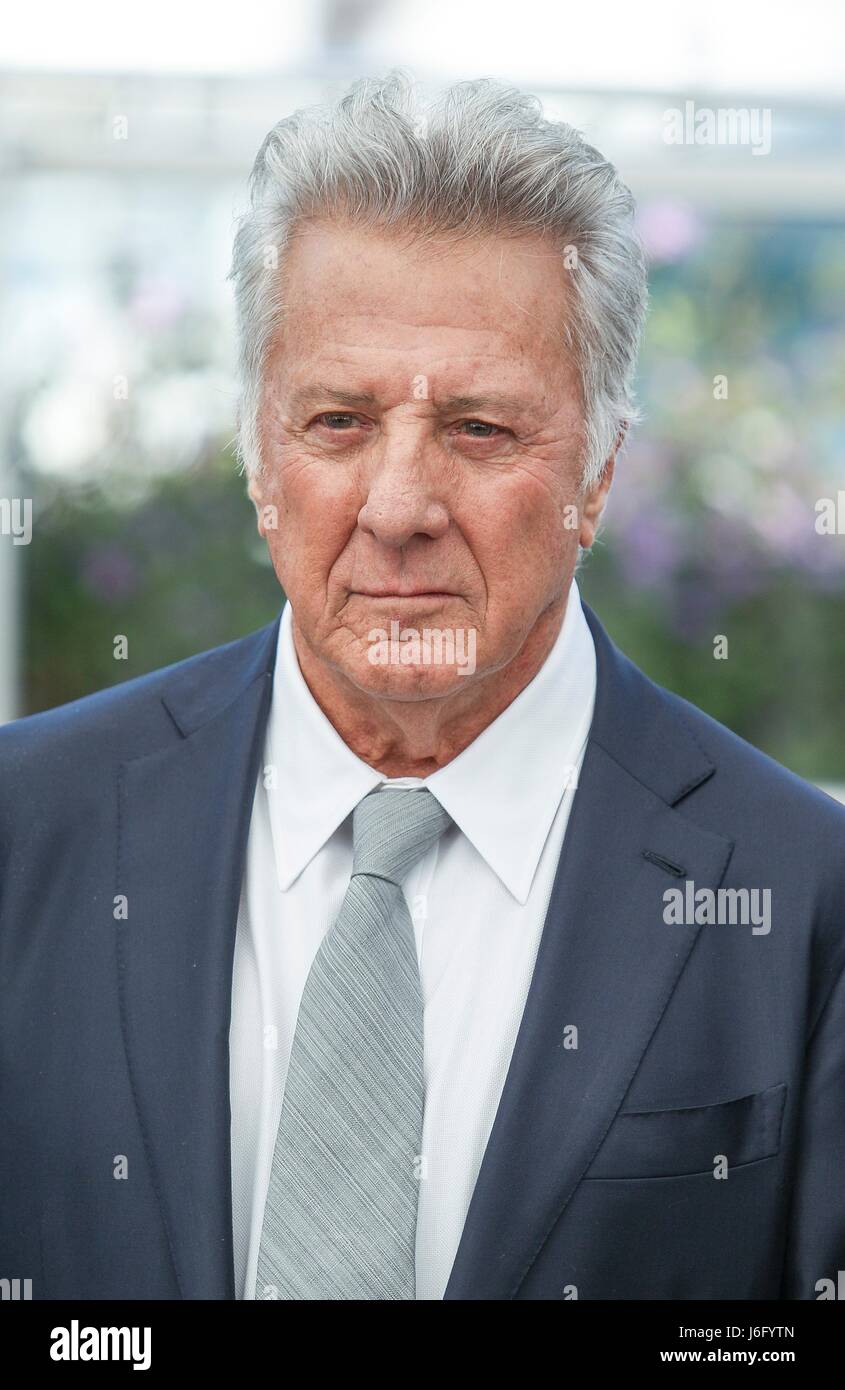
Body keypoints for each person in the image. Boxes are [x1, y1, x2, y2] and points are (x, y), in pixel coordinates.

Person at [1, 71, 843, 1301]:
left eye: (480, 431)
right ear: (255, 456)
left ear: (598, 472)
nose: (397, 509)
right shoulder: (25, 829)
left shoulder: (802, 899)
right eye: (335, 422)